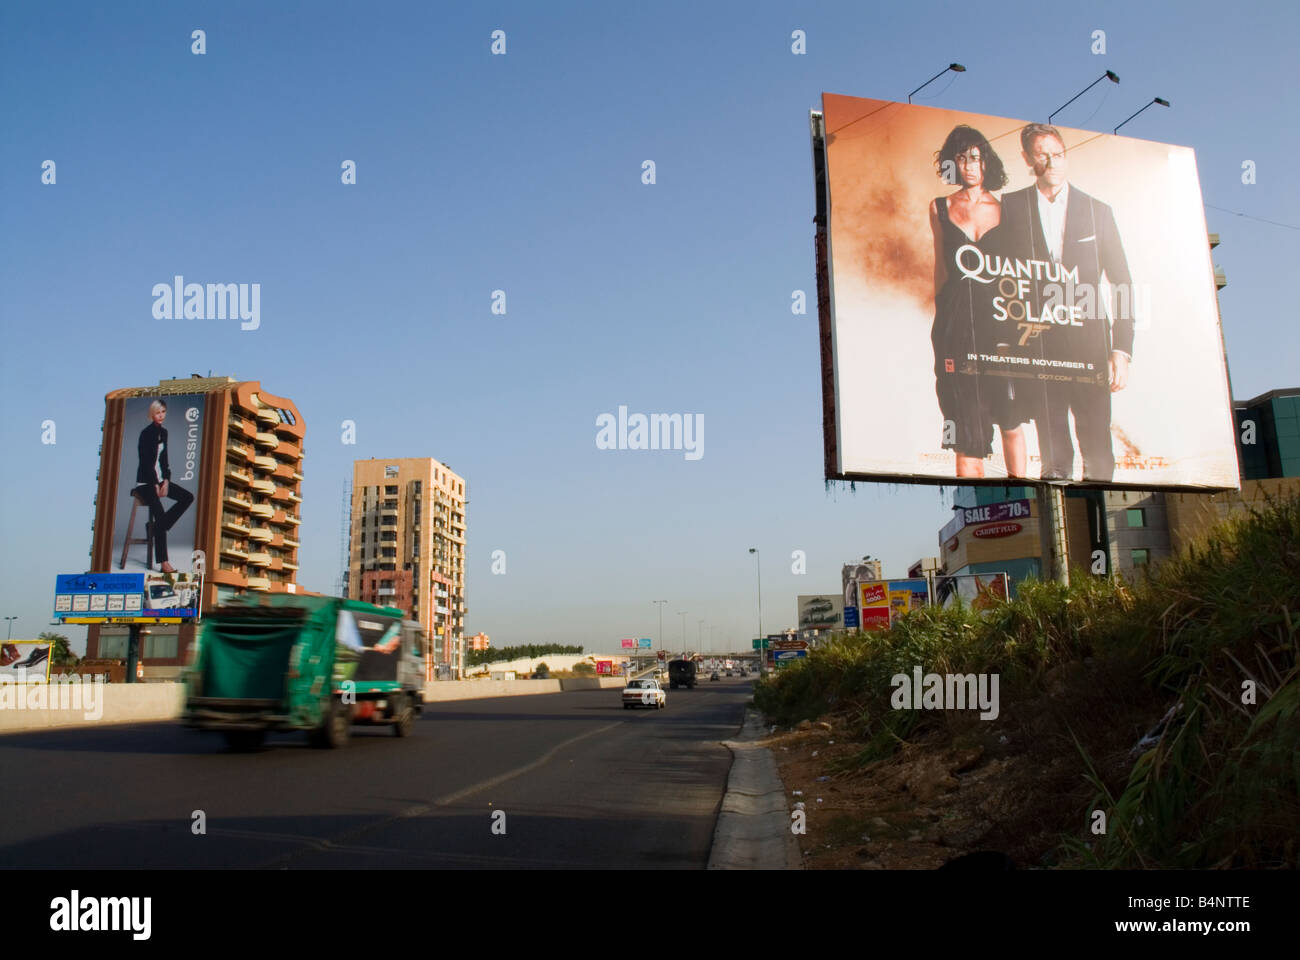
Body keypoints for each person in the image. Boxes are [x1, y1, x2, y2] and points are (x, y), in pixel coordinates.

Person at [995, 123, 1135, 481]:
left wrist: (1121, 348)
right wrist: (1005, 341)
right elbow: (999, 280)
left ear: (1066, 156)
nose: (1051, 162)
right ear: (1028, 159)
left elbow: (1121, 282)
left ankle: (1100, 514)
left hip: (1090, 343)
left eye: (1057, 154)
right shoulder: (1011, 206)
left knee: (1097, 440)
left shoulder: (1097, 211)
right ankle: (1058, 513)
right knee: (1052, 444)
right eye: (1042, 155)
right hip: (1036, 341)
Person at [929, 125, 1029, 478]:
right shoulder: (939, 207)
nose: (969, 165)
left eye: (975, 157)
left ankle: (1028, 493)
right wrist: (941, 325)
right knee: (964, 425)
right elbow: (941, 269)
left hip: (1001, 320)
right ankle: (976, 511)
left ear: (986, 161)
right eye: (961, 158)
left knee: (1010, 416)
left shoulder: (1009, 209)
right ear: (951, 163)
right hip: (956, 321)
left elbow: (1019, 274)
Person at [130, 399, 193, 574]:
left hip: (159, 480)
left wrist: (166, 480)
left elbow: (164, 460)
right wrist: (155, 484)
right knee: (160, 515)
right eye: (158, 412)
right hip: (145, 483)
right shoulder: (146, 433)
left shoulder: (164, 433)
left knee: (187, 497)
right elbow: (145, 463)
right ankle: (164, 563)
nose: (161, 415)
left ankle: (156, 527)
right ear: (152, 414)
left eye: (163, 412)